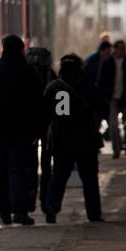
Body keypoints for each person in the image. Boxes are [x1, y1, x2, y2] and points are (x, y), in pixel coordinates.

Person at [0, 34, 44, 225]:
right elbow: (37, 104)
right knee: (18, 170)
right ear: (21, 49)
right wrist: (36, 131)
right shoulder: (28, 72)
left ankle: (4, 212)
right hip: (21, 132)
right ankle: (20, 211)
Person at [42, 54, 106, 222]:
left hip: (62, 139)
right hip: (85, 138)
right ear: (80, 67)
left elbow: (44, 113)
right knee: (90, 179)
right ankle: (94, 213)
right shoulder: (88, 85)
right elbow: (101, 106)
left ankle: (51, 208)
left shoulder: (54, 87)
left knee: (59, 176)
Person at [98, 39, 126, 157]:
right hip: (113, 97)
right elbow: (101, 81)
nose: (123, 51)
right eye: (120, 49)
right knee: (113, 125)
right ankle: (116, 149)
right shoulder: (108, 62)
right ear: (115, 49)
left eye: (124, 49)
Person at [25, 45, 56, 211]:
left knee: (30, 165)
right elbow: (63, 107)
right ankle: (47, 202)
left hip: (29, 126)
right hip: (49, 127)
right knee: (47, 167)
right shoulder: (54, 78)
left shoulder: (23, 76)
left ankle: (30, 199)